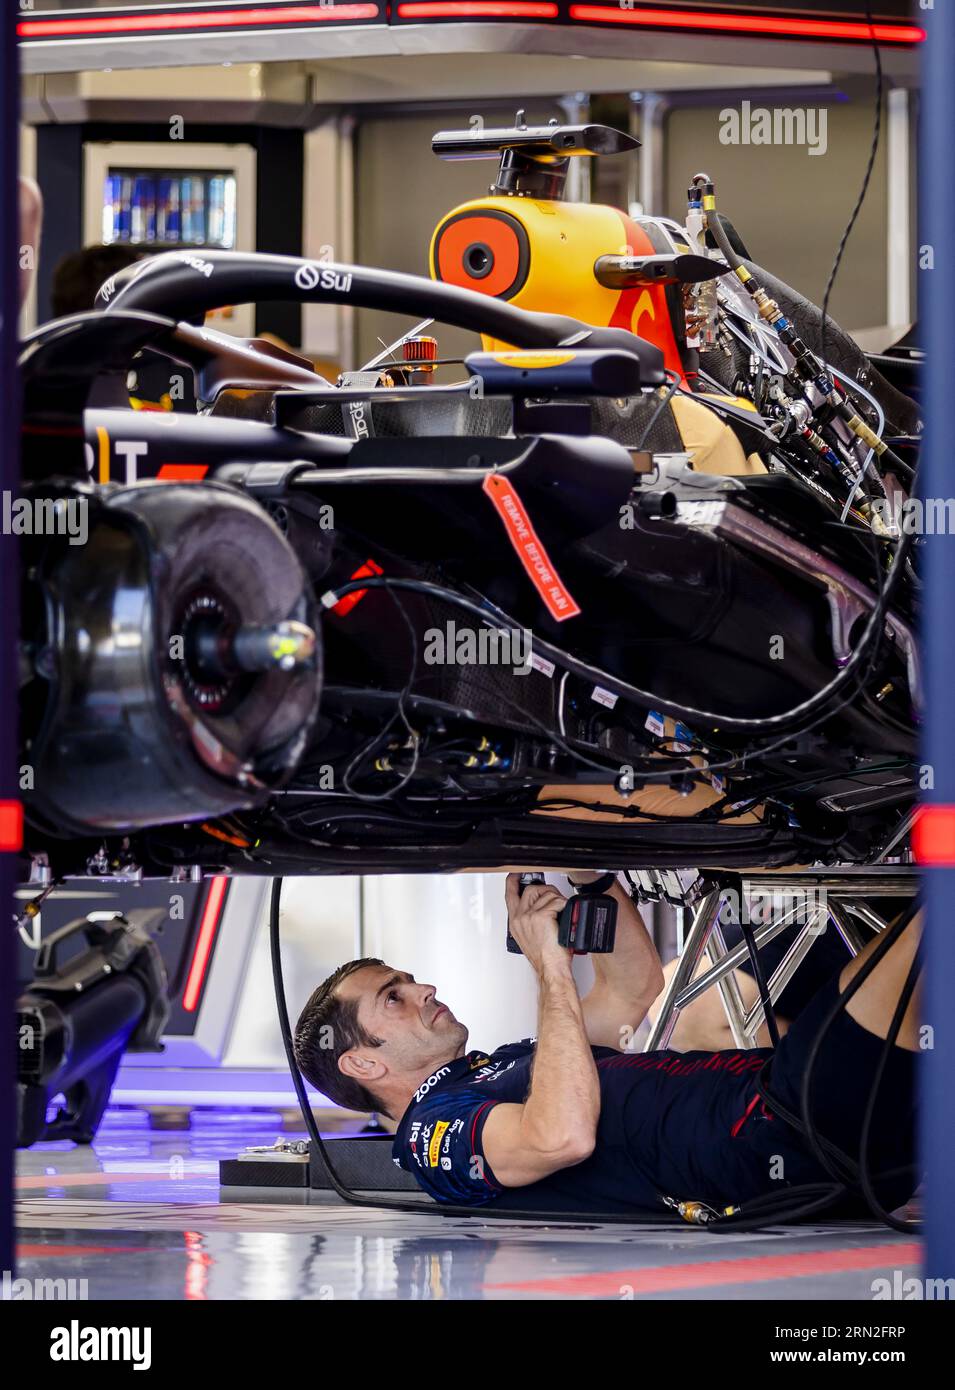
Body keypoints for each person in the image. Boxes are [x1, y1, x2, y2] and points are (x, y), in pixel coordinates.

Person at [294, 872, 920, 1217]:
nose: (424, 987)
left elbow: (631, 990)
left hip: (794, 1099)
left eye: (408, 980)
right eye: (394, 997)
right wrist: (549, 966)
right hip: (781, 1130)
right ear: (363, 1061)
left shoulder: (497, 1069)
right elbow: (560, 1137)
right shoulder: (432, 1136)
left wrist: (591, 879)